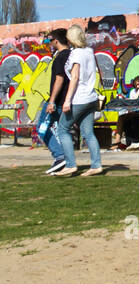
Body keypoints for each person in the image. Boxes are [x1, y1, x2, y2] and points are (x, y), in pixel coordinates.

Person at [54, 25, 104, 177]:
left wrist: (67, 100)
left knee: (62, 129)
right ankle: (96, 165)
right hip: (91, 98)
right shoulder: (89, 51)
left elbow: (75, 78)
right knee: (88, 133)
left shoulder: (75, 54)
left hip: (79, 98)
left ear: (71, 38)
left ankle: (70, 165)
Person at [39, 27, 71, 175]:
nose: (49, 43)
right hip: (66, 100)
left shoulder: (60, 57)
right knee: (62, 132)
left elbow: (59, 79)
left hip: (57, 101)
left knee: (42, 128)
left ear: (56, 41)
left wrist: (51, 101)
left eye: (50, 40)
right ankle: (68, 161)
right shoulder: (71, 55)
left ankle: (59, 157)